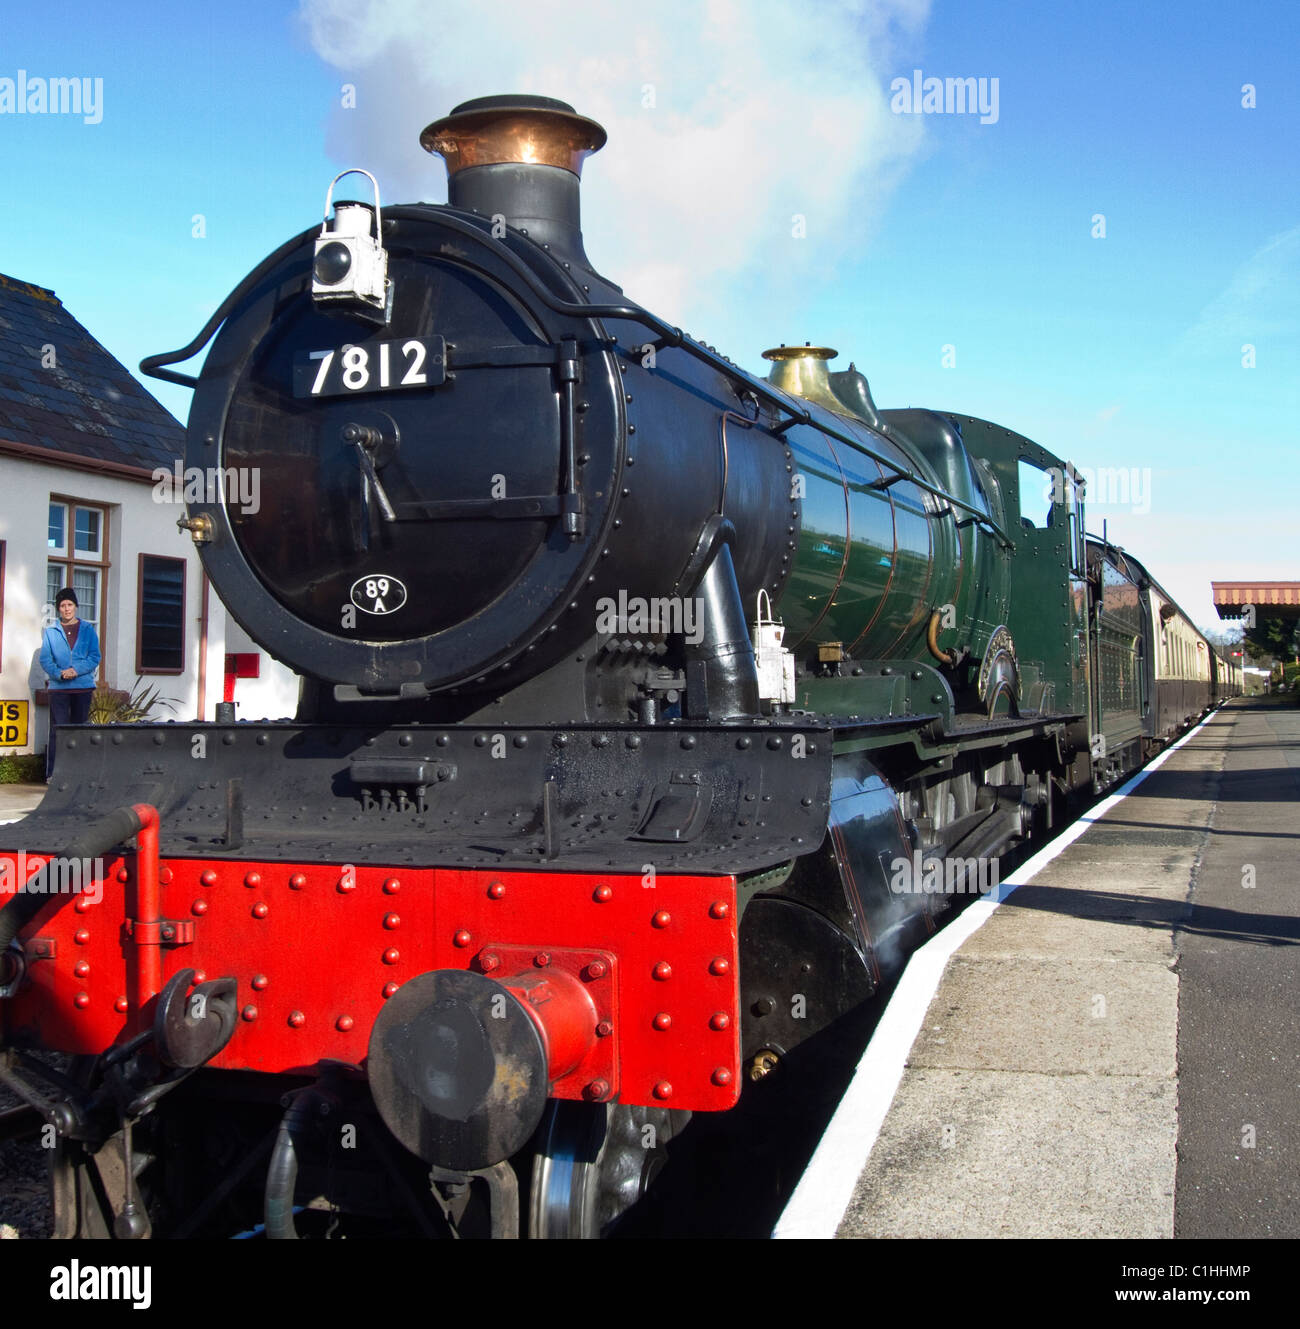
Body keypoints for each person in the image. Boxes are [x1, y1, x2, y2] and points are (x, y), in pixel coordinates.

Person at [39, 588, 101, 780]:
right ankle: (54, 774)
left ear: (76, 606)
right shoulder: (51, 632)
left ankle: (78, 774)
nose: (67, 609)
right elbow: (45, 659)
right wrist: (59, 673)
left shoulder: (88, 630)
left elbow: (94, 657)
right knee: (59, 730)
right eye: (63, 606)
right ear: (58, 609)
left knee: (80, 730)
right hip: (59, 689)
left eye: (70, 605)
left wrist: (76, 670)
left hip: (82, 687)